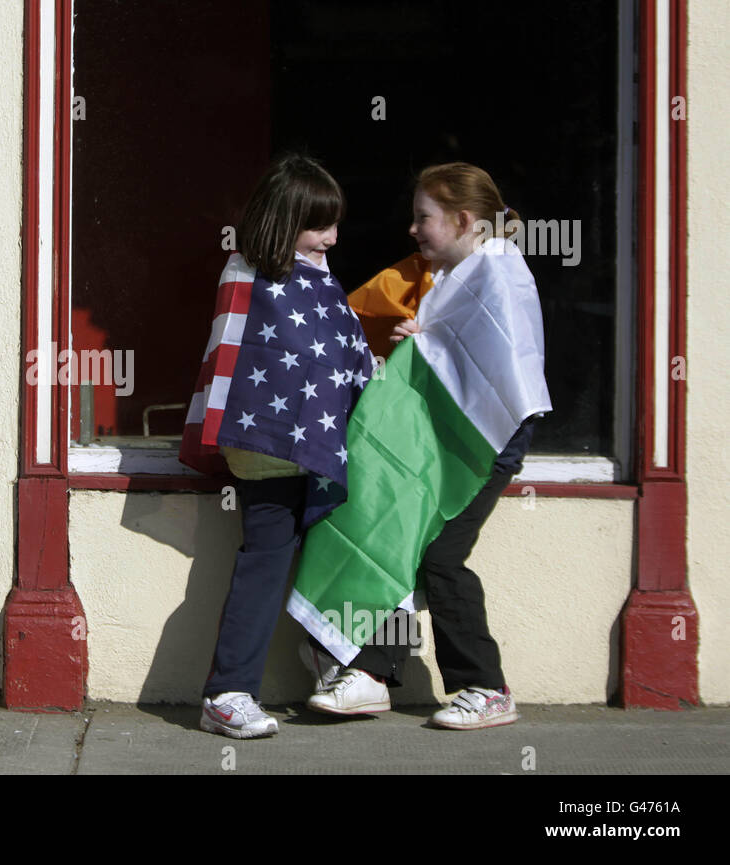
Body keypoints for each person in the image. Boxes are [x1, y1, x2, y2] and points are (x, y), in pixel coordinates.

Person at [304, 162, 547, 729]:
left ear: (463, 219)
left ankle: (485, 687)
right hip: (452, 433)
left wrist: (427, 344)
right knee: (401, 539)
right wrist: (426, 341)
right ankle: (370, 674)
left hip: (488, 441)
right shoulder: (465, 270)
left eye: (423, 218)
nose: (413, 229)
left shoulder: (497, 271)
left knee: (438, 554)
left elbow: (497, 369)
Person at [178, 152, 376, 739]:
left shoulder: (308, 274)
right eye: (321, 225)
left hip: (305, 446)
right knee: (266, 564)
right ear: (285, 222)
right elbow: (244, 357)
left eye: (335, 223)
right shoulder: (249, 274)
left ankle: (339, 666)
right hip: (267, 446)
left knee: (321, 554)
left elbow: (336, 351)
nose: (333, 237)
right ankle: (228, 692)